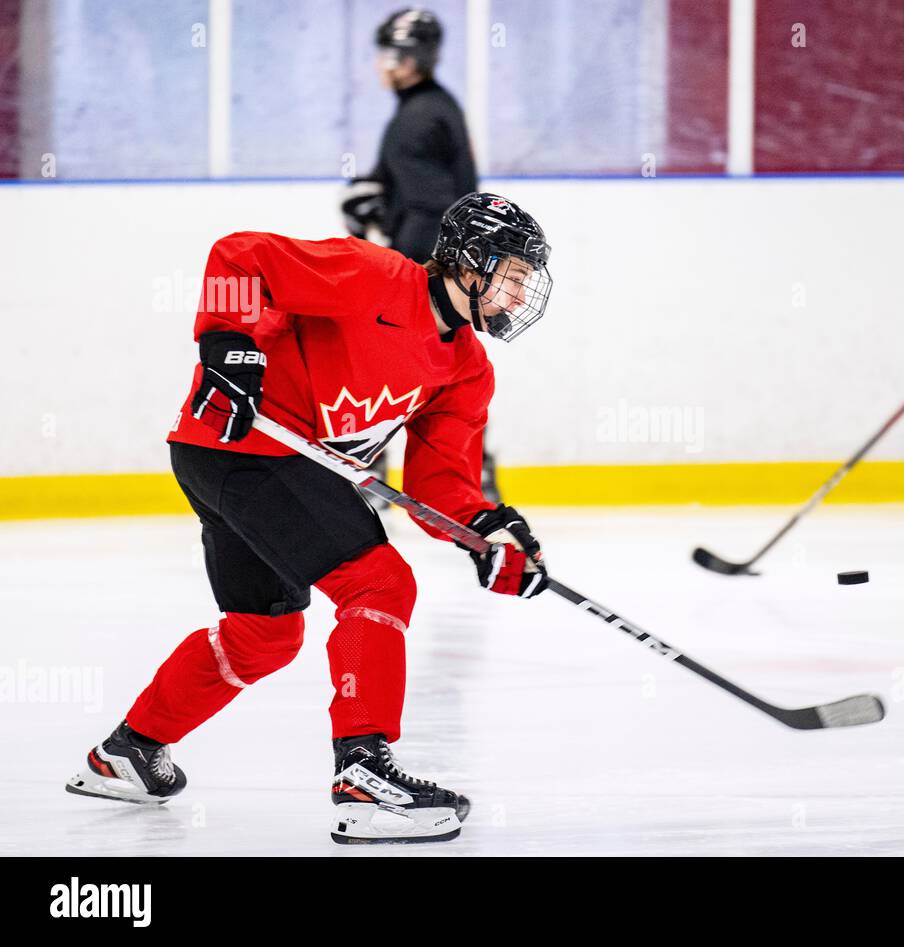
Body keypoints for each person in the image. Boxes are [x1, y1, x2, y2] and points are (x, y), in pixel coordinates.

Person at [67, 193, 554, 845]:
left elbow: (442, 482)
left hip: (238, 462)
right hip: (243, 444)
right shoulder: (373, 276)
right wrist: (230, 345)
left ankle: (128, 752)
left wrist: (487, 532)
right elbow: (242, 255)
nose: (518, 295)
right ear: (470, 263)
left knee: (263, 635)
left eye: (526, 281)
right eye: (512, 275)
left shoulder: (466, 368)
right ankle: (364, 773)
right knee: (379, 583)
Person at [340, 8, 502, 501]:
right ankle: (475, 476)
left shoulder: (418, 117)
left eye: (400, 55)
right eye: (386, 53)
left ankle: (378, 474)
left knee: (399, 365)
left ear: (421, 59)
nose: (388, 65)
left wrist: (385, 227)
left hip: (428, 268)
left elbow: (432, 208)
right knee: (440, 368)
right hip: (449, 268)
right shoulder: (432, 108)